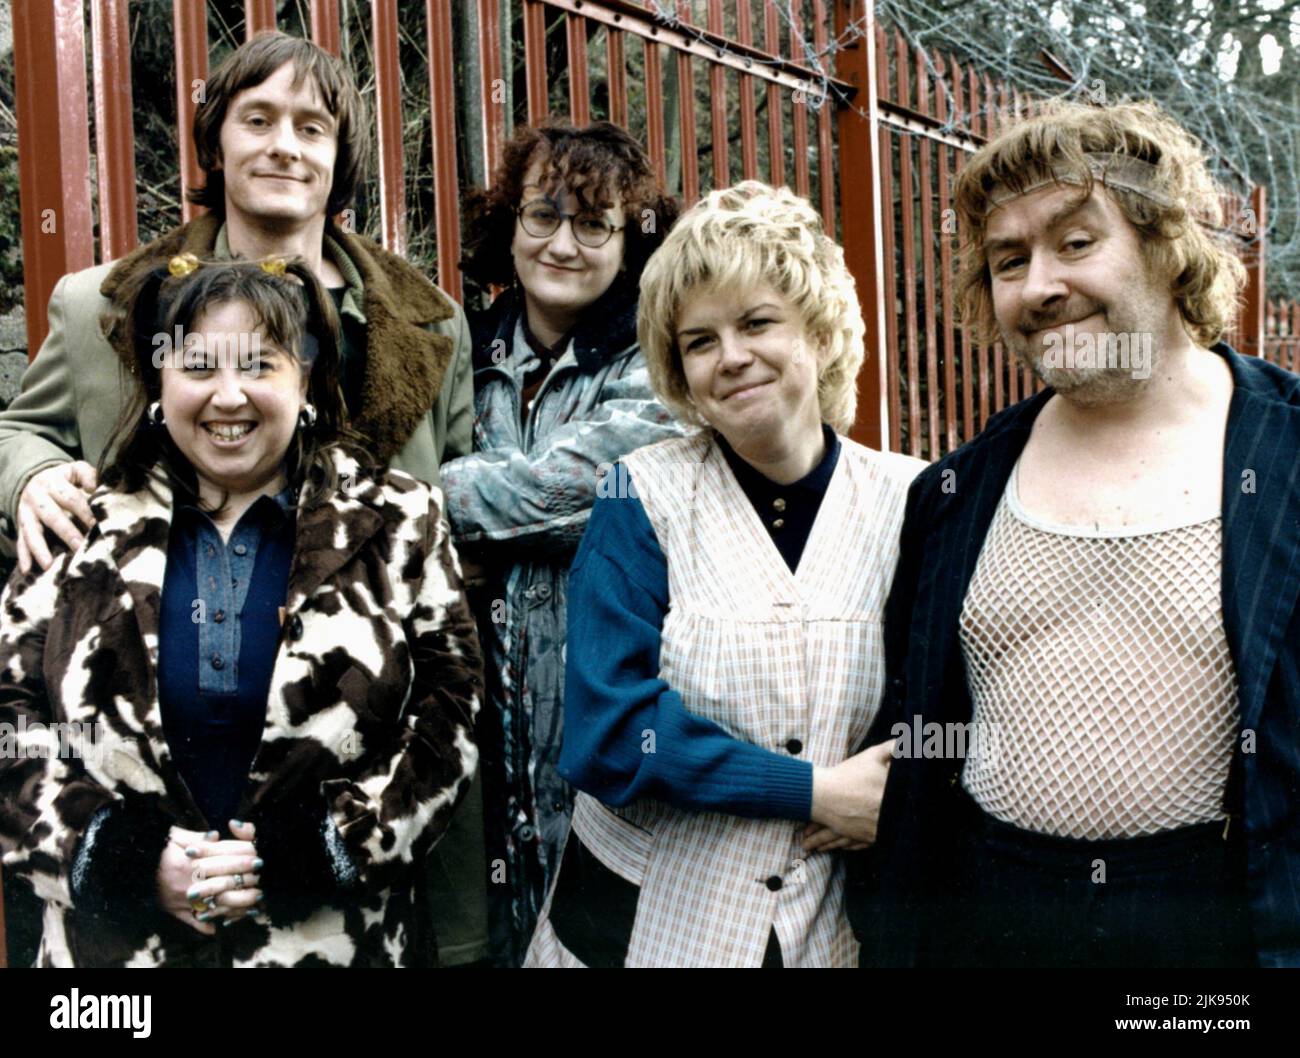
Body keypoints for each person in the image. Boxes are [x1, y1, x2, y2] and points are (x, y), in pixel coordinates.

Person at [0, 30, 488, 967]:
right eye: (256, 119)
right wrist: (31, 477)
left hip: (341, 861)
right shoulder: (101, 305)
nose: (283, 145)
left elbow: (450, 656)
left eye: (312, 125)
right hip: (126, 922)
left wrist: (337, 843)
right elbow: (19, 437)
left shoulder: (430, 324)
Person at [852, 100, 1300, 968]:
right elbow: (918, 741)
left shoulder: (1286, 457)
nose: (1039, 285)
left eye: (1076, 242)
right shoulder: (956, 490)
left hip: (1215, 935)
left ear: (1167, 242)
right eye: (1007, 261)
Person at [522, 182, 926, 967]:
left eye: (757, 322)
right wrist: (813, 792)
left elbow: (957, 701)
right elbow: (607, 732)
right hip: (643, 929)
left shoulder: (911, 502)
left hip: (820, 933)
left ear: (817, 330)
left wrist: (904, 793)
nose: (731, 357)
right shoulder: (637, 496)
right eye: (699, 341)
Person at [439, 121, 685, 965]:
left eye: (594, 224)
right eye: (542, 215)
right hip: (472, 753)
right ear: (508, 224)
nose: (563, 244)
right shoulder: (455, 354)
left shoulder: (658, 360)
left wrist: (425, 495)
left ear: (631, 241)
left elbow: (569, 490)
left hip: (607, 752)